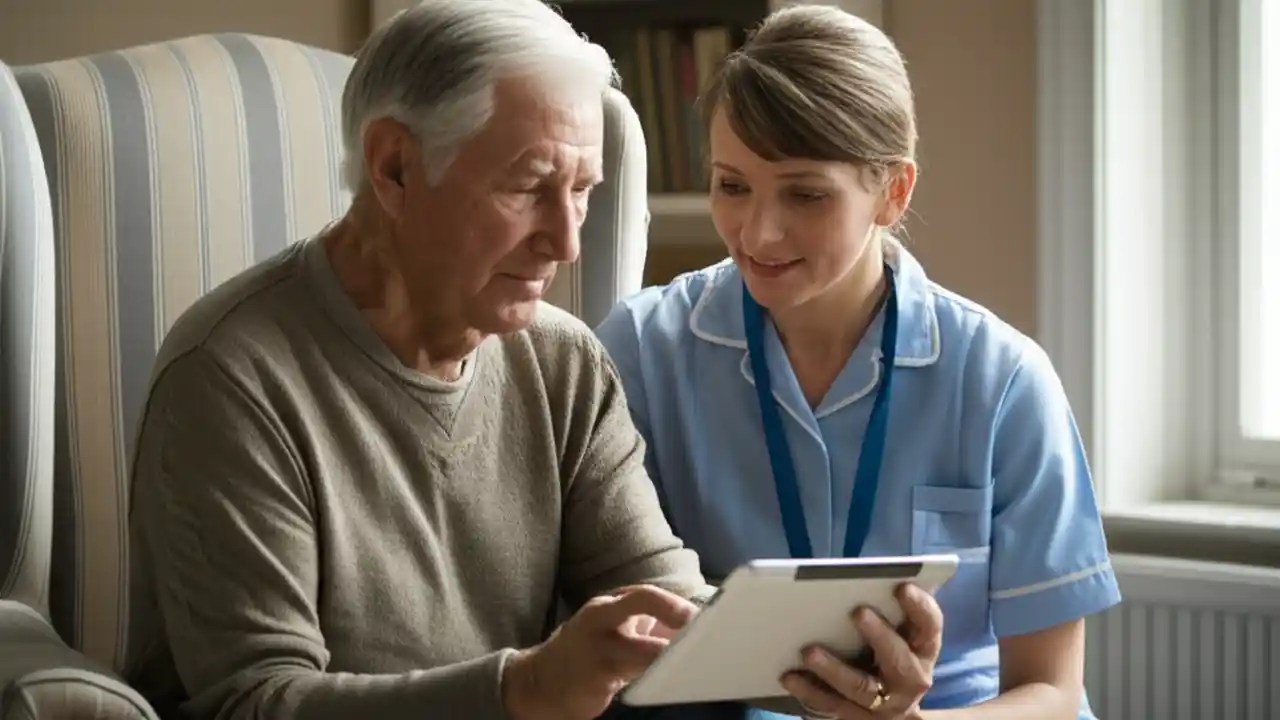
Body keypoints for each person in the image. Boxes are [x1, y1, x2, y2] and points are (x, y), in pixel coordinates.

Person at [123, 2, 714, 718]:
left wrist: (833, 659)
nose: (565, 243)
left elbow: (658, 595)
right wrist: (522, 689)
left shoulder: (565, 363)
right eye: (528, 186)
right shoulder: (230, 377)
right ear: (395, 167)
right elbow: (254, 702)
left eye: (582, 192)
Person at [596, 6, 1122, 720]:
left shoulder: (1003, 381)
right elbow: (603, 617)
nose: (757, 231)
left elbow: (1053, 693)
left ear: (893, 191)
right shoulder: (642, 349)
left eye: (805, 194)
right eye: (732, 185)